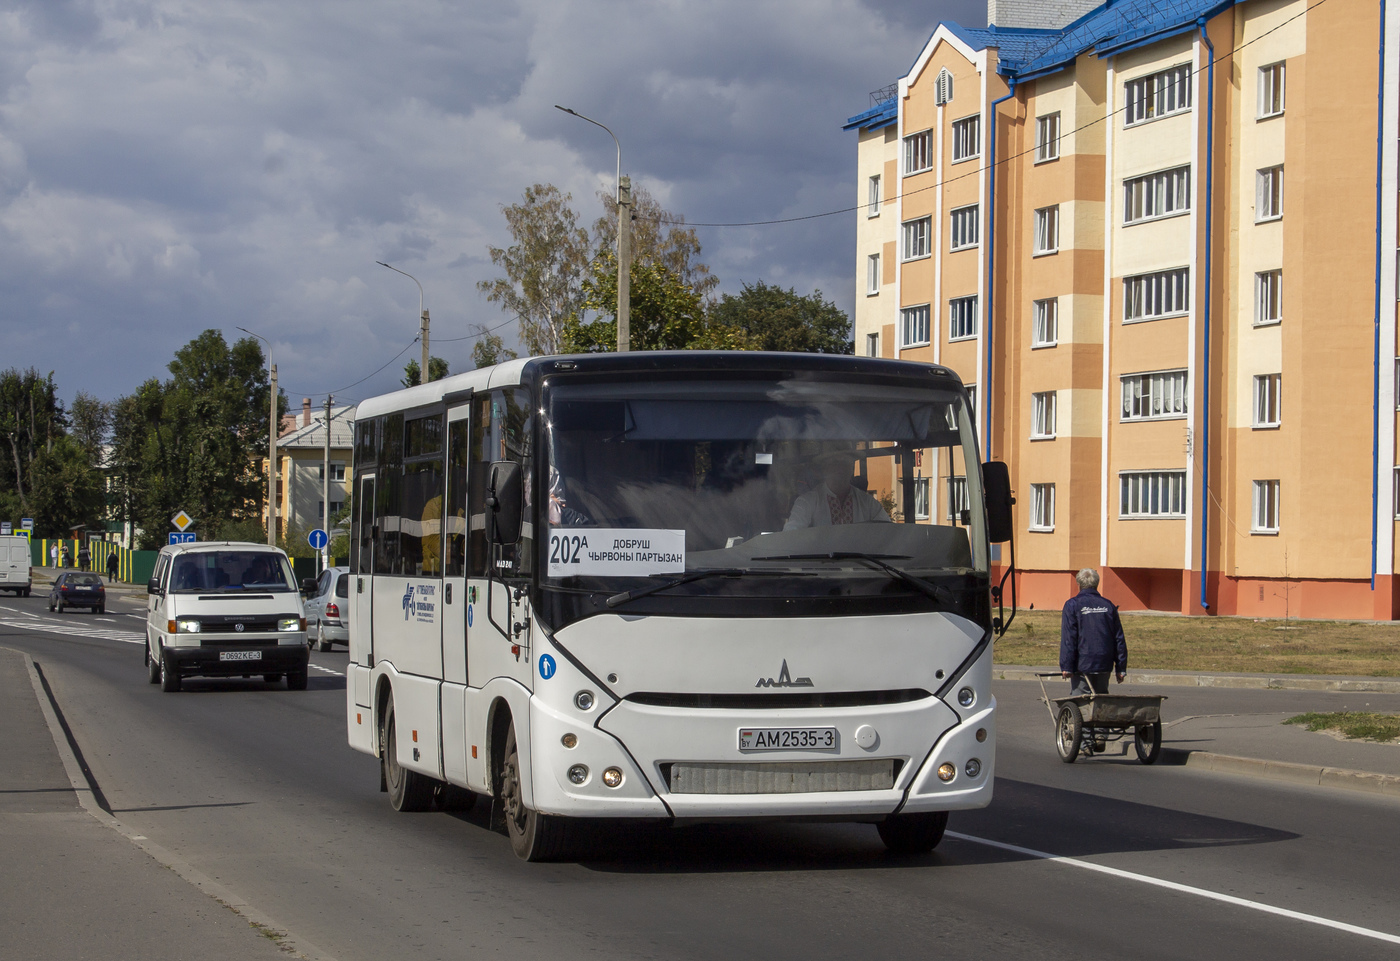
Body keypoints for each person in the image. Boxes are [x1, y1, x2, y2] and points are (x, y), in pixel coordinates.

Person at [783, 449, 891, 530]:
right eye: (834, 463)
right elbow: (792, 536)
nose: (840, 469)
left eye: (845, 463)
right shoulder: (807, 502)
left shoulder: (868, 503)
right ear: (824, 469)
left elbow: (888, 533)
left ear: (852, 469)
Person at [1060, 568, 1128, 696]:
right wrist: (1121, 668)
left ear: (1078, 584)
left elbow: (1069, 638)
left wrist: (1067, 666)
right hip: (1104, 661)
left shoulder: (1072, 605)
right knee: (1101, 699)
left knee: (1081, 699)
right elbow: (1118, 639)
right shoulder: (1108, 605)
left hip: (1082, 663)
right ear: (1097, 584)